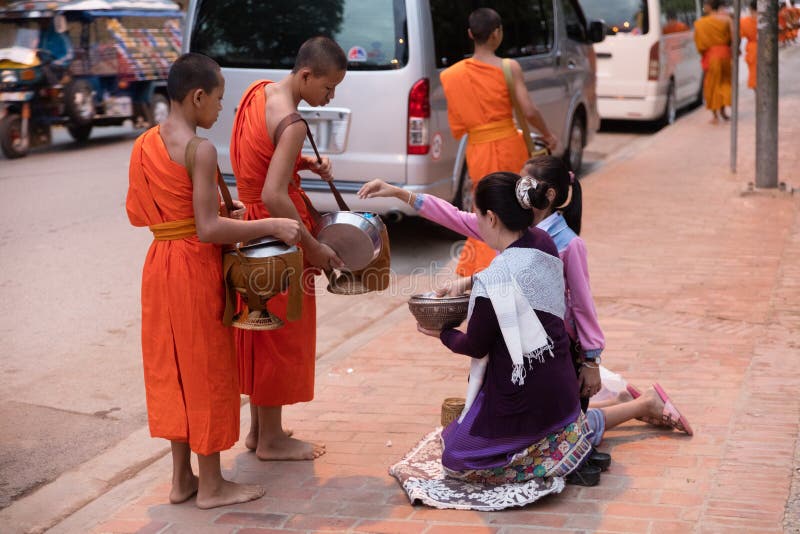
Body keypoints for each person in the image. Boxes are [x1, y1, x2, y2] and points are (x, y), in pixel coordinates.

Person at [358, 159, 693, 441]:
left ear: (547, 194)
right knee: (550, 423)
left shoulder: (565, 243)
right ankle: (624, 400)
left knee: (561, 434)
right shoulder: (516, 228)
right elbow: (458, 219)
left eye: (526, 184)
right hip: (520, 347)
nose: (520, 190)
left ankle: (639, 404)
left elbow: (581, 305)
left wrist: (591, 362)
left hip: (552, 351)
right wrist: (401, 194)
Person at [126, 53, 302, 508]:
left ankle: (181, 479)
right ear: (197, 96)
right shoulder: (199, 149)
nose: (222, 109)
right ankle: (213, 485)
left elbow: (137, 213)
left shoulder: (145, 141)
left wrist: (217, 215)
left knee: (174, 370)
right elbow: (207, 230)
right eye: (219, 99)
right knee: (205, 370)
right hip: (192, 268)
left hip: (158, 264)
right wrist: (269, 226)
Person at [416, 171, 595, 488]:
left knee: (455, 457)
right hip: (561, 389)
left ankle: (543, 458)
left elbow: (475, 346)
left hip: (526, 397)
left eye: (476, 213)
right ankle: (566, 439)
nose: (476, 221)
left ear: (491, 217)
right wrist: (470, 282)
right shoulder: (542, 241)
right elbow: (515, 274)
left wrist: (441, 333)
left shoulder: (495, 278)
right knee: (452, 431)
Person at [229, 36, 346, 462]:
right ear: (306, 75)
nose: (329, 96)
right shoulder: (294, 124)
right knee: (281, 330)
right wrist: (312, 246)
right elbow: (276, 194)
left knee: (262, 325)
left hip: (249, 228)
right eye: (328, 88)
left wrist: (303, 163)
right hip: (279, 231)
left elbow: (257, 160)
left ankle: (260, 431)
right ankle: (274, 441)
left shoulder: (258, 93)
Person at [440, 7, 558, 278]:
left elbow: (458, 124)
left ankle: (482, 271)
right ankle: (515, 267)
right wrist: (549, 135)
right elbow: (528, 110)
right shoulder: (508, 67)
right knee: (515, 208)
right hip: (509, 146)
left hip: (478, 150)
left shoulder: (452, 75)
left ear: (470, 34)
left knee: (485, 209)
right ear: (497, 33)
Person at [694, 0, 733, 123]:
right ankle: (723, 111)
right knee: (725, 82)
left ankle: (715, 116)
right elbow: (734, 37)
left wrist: (703, 52)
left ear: (708, 7)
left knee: (712, 84)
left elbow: (700, 44)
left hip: (712, 56)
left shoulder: (701, 23)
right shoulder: (727, 20)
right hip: (725, 55)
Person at [37, 16, 73, 85]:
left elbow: (70, 54)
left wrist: (56, 62)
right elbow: (38, 49)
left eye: (44, 20)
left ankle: (55, 86)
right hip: (44, 62)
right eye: (40, 21)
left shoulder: (60, 35)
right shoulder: (41, 35)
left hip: (59, 64)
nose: (41, 23)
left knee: (45, 68)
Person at [740, 0, 758, 90]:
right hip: (767, 48)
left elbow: (738, 36)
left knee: (755, 77)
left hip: (753, 50)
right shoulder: (769, 20)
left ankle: (760, 98)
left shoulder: (745, 22)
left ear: (751, 9)